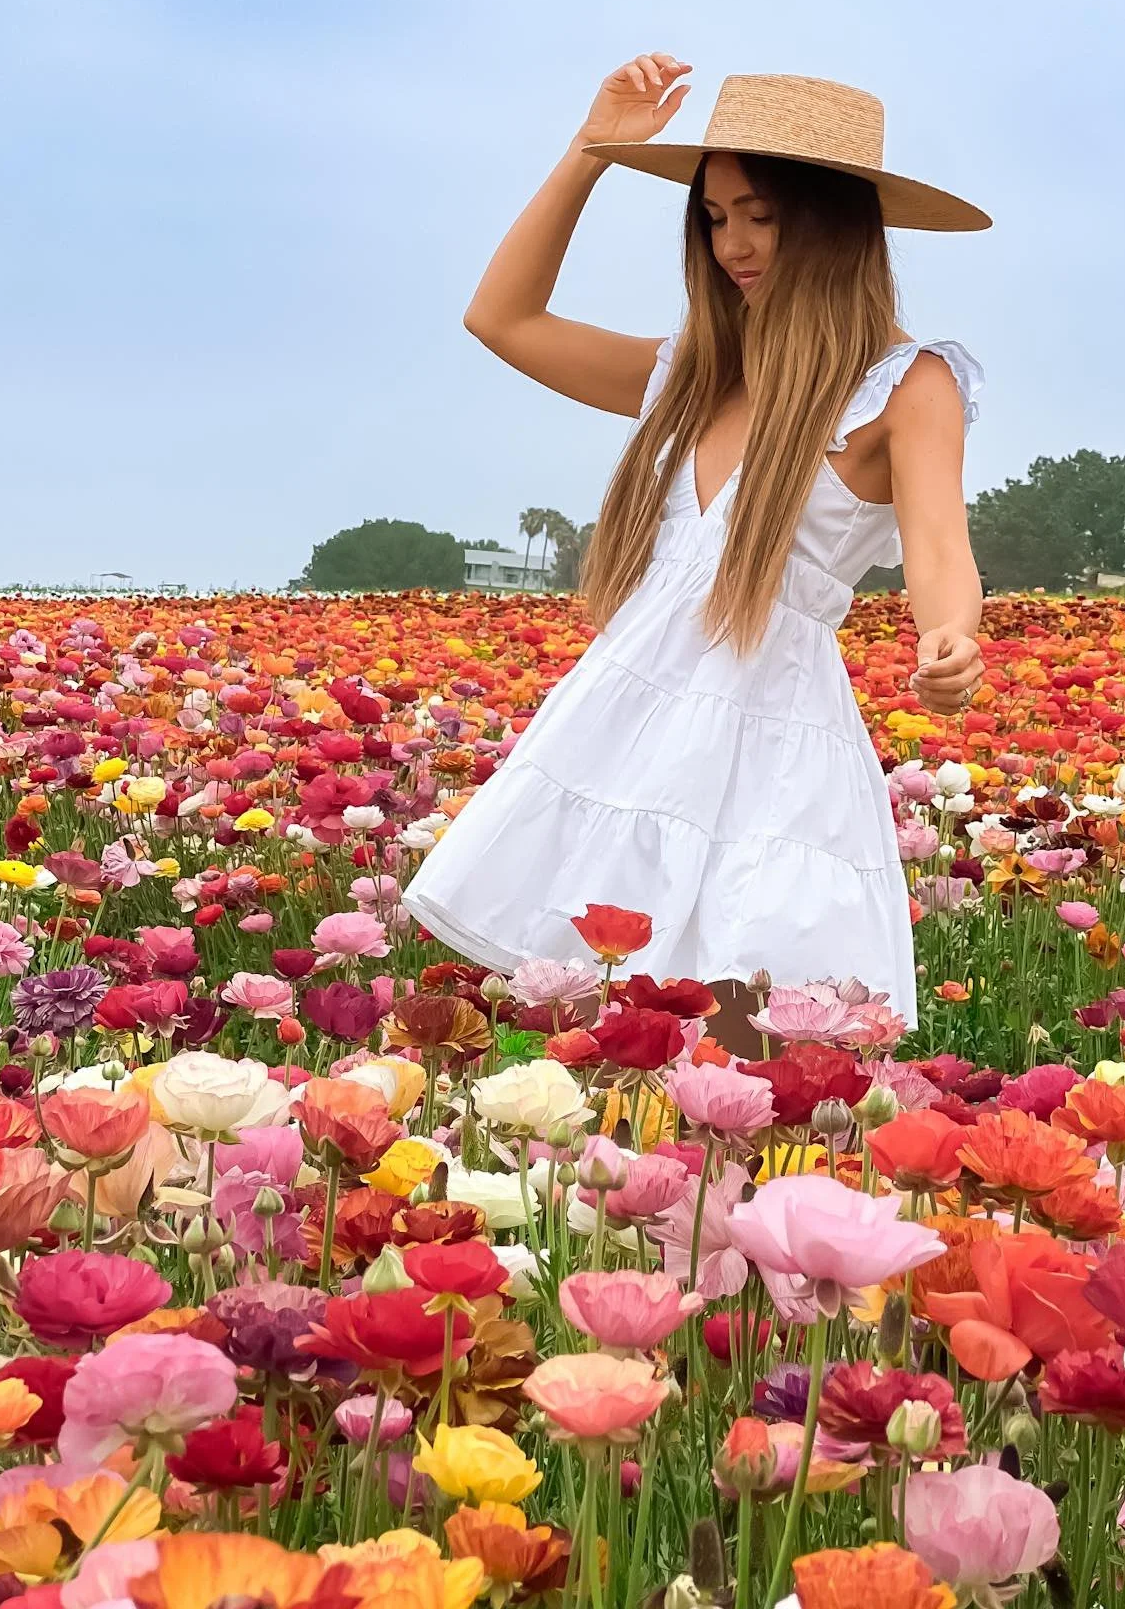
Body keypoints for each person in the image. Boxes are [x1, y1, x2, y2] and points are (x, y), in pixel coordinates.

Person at [401, 54, 988, 1040]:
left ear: (835, 216)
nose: (734, 244)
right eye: (714, 218)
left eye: (759, 214)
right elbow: (499, 316)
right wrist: (592, 153)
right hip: (629, 738)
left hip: (776, 754)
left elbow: (939, 541)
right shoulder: (689, 373)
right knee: (608, 1045)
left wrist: (951, 633)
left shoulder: (904, 385)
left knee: (750, 1046)